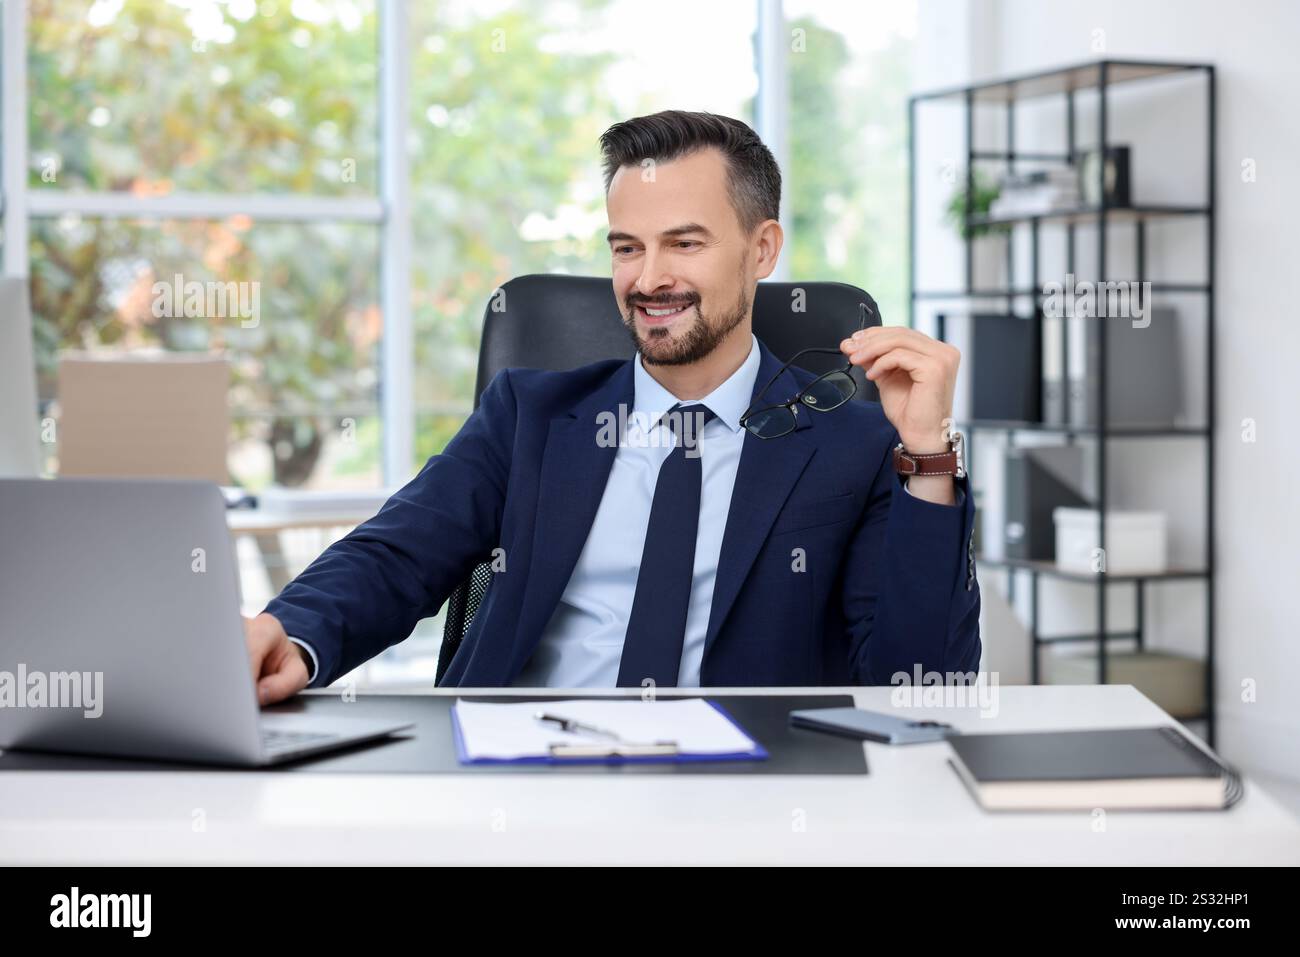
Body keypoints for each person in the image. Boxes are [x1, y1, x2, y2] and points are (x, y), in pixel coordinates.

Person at [246, 110, 980, 703]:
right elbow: (394, 556)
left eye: (683, 243)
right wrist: (290, 631)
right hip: (520, 785)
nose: (649, 278)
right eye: (626, 247)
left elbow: (920, 684)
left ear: (762, 251)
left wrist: (927, 458)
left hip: (741, 798)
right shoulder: (528, 416)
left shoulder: (853, 443)